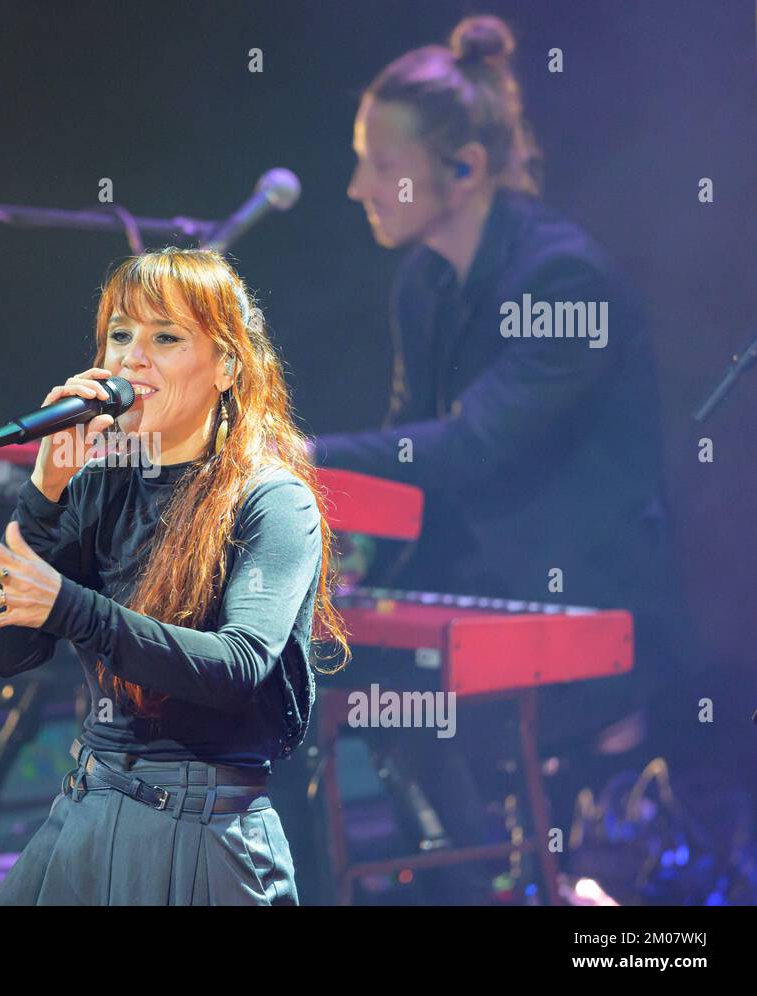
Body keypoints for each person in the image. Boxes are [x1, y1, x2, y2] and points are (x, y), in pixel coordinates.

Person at [295, 15, 680, 901]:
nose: (358, 186)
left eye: (381, 164)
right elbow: (403, 453)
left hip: (574, 608)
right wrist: (335, 546)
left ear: (463, 169)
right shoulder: (425, 282)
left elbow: (473, 450)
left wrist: (289, 452)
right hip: (474, 586)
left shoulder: (564, 280)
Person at [0, 248, 349, 905]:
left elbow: (237, 666)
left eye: (165, 337)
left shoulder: (272, 500)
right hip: (89, 804)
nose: (131, 358)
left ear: (227, 366)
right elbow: (8, 651)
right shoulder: (102, 484)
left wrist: (71, 607)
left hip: (203, 829)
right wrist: (45, 488)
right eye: (120, 335)